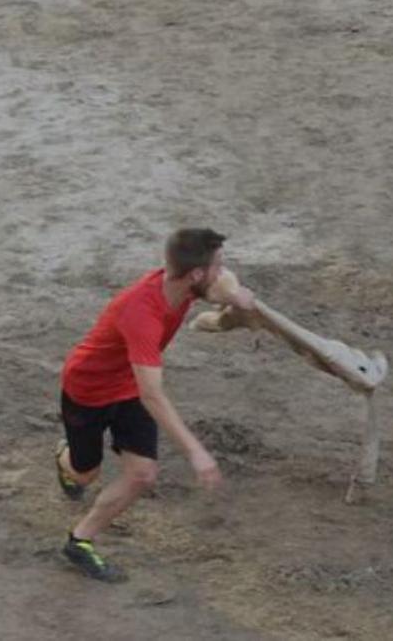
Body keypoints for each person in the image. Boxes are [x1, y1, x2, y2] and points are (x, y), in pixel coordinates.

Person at [54, 228, 254, 582]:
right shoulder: (141, 313)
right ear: (196, 274)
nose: (223, 272)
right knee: (85, 473)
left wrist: (236, 299)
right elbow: (153, 396)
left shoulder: (184, 284)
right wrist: (196, 452)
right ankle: (65, 458)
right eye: (218, 265)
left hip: (128, 385)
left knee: (143, 474)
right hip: (89, 388)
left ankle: (80, 541)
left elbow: (221, 292)